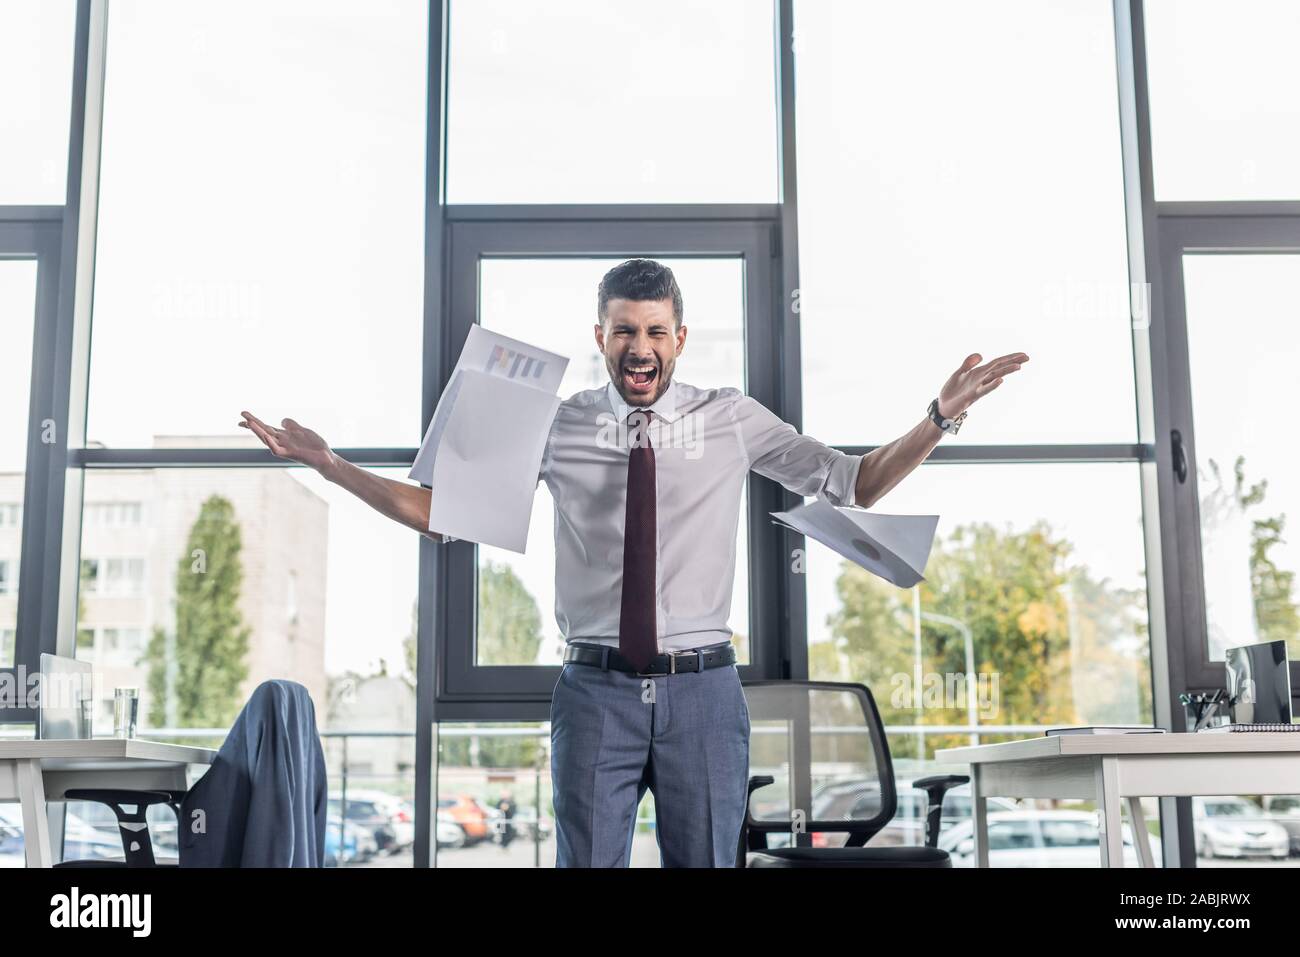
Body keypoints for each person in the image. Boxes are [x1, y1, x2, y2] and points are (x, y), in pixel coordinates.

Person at [239, 258, 1027, 868]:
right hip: (594, 693)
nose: (639, 348)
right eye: (623, 331)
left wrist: (938, 416)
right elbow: (439, 514)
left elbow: (855, 480)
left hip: (706, 695)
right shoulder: (556, 424)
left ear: (681, 337)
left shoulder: (729, 419)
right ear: (600, 339)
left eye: (654, 331)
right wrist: (332, 464)